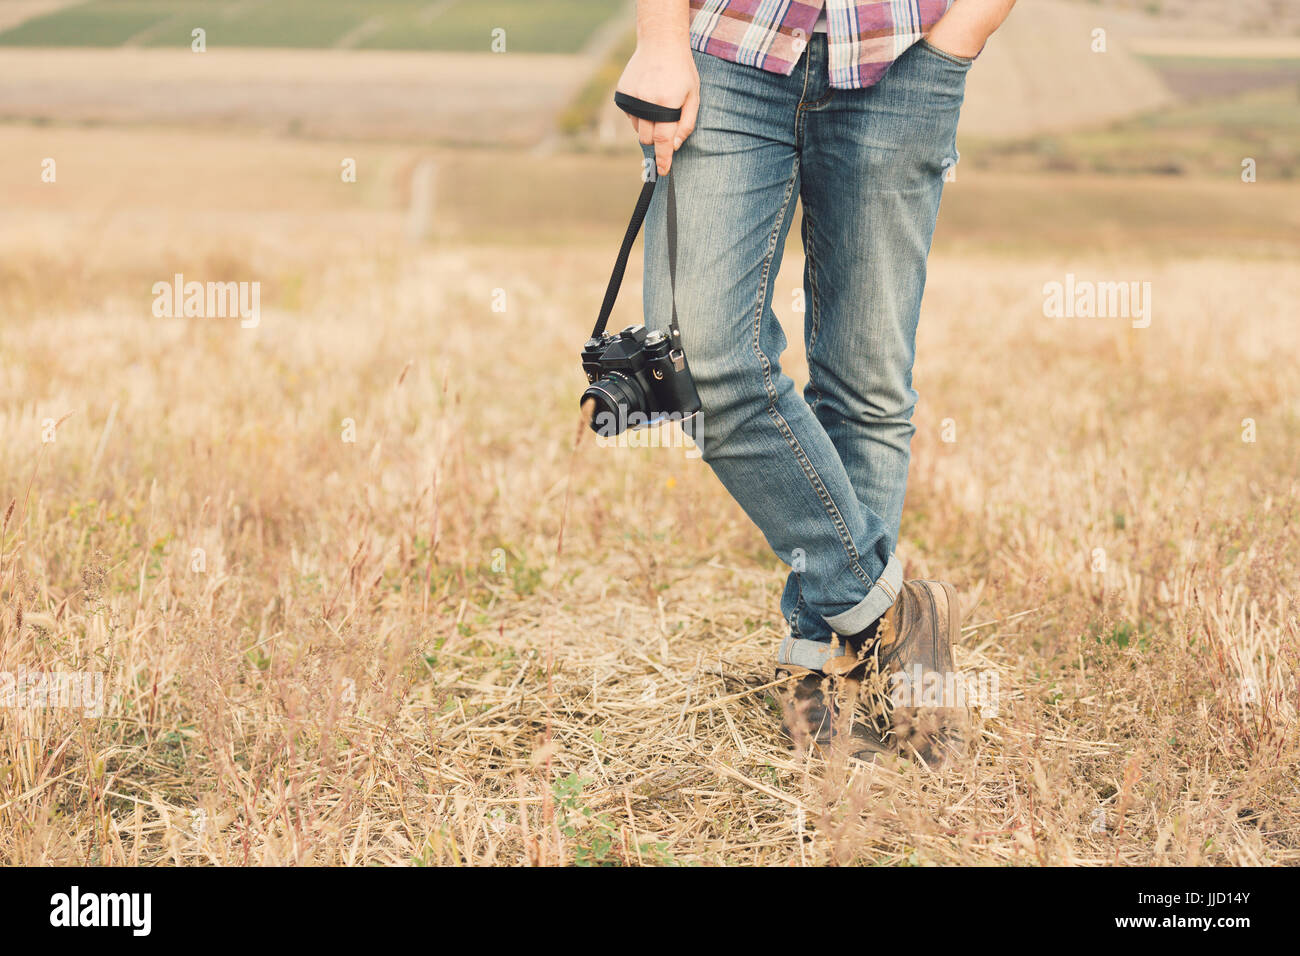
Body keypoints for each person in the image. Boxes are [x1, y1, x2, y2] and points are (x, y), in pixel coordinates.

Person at [616, 0, 1017, 762]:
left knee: (866, 382)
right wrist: (660, 41)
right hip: (731, 47)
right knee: (695, 356)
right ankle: (892, 613)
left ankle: (824, 661)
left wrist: (963, 32)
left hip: (904, 55)